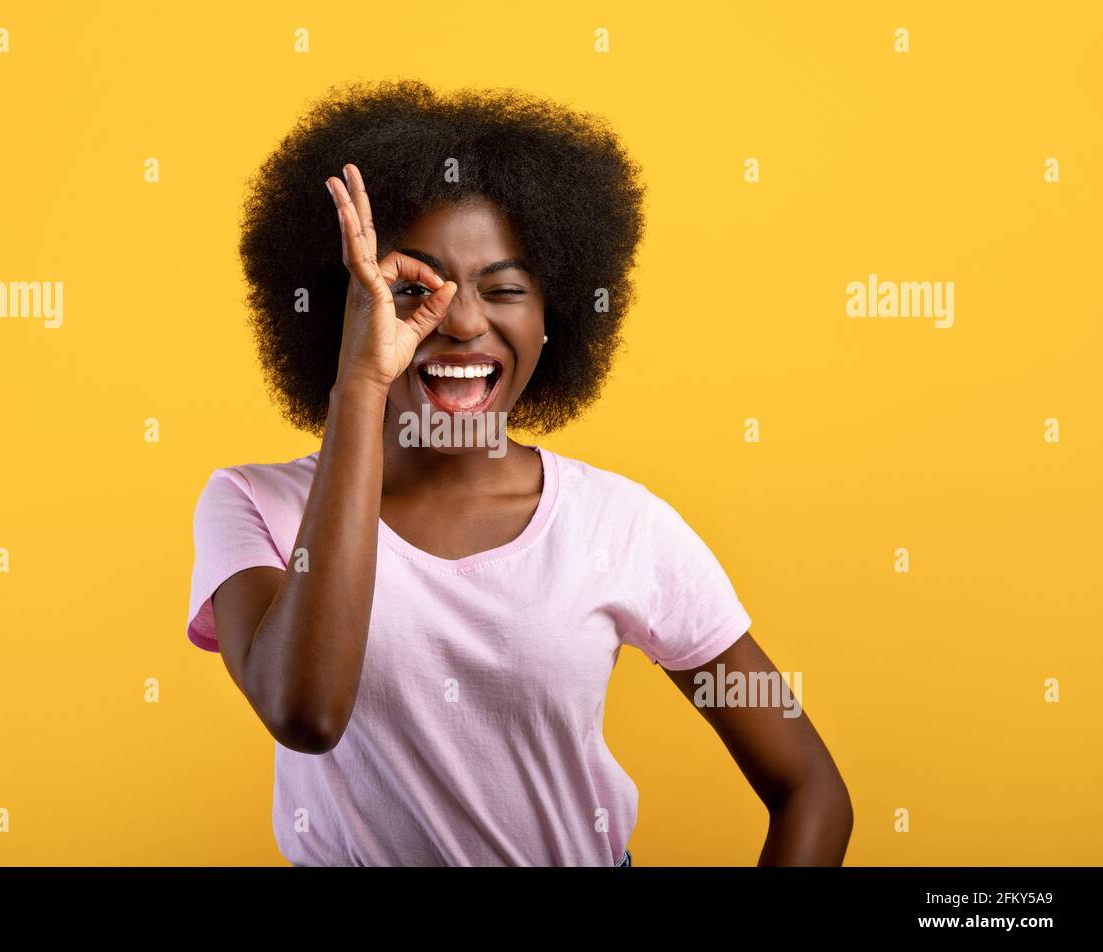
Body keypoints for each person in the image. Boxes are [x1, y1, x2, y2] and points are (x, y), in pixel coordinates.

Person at [186, 79, 853, 866]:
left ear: (554, 321)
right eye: (411, 291)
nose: (463, 321)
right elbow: (306, 712)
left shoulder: (620, 524)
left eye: (503, 289)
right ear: (348, 311)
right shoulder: (255, 505)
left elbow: (810, 787)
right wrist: (361, 385)